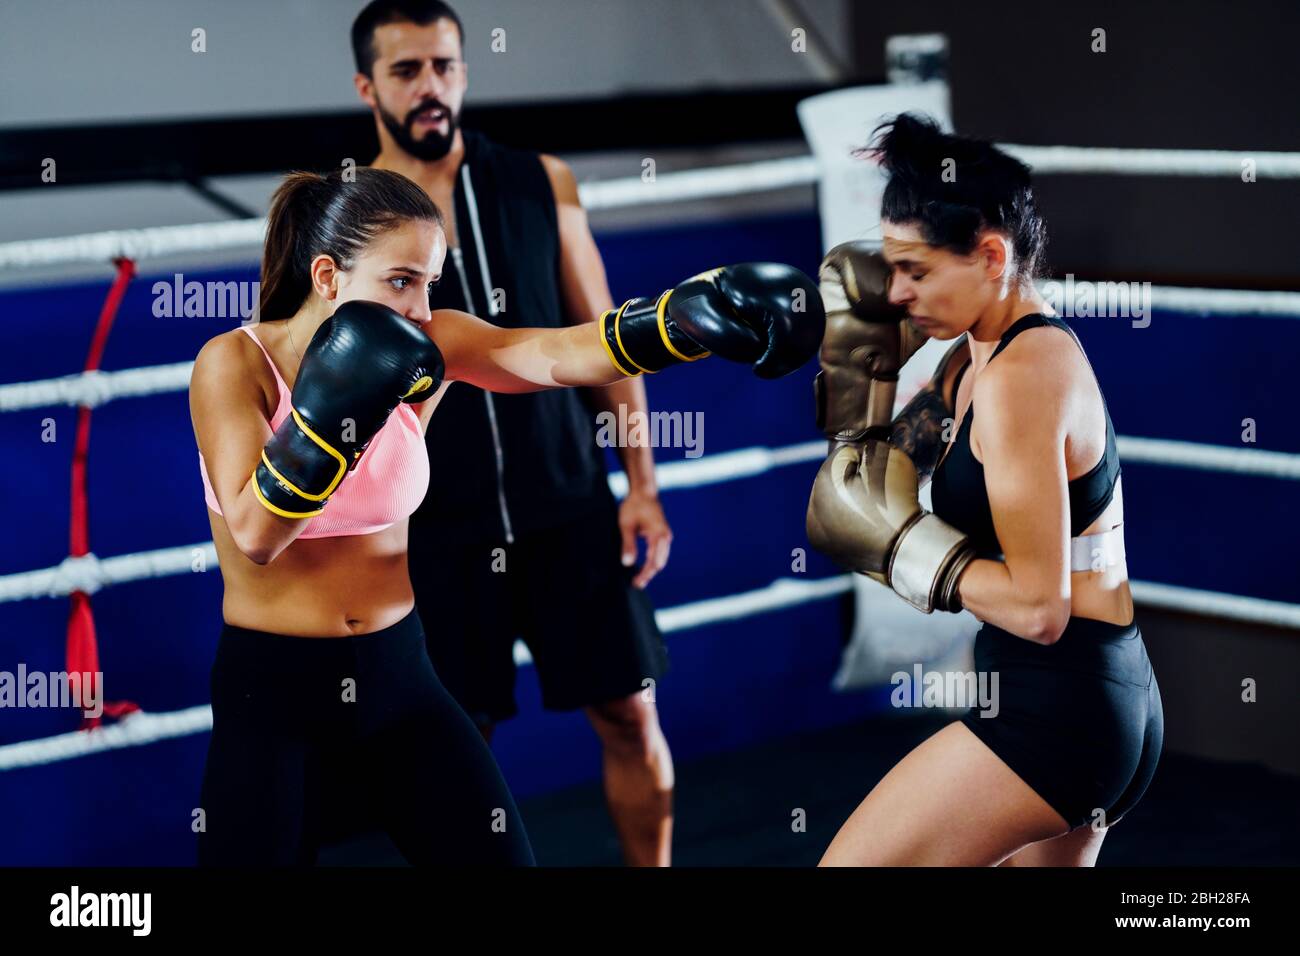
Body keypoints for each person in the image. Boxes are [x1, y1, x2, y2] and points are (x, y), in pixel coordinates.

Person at [190, 164, 821, 865]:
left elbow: (552, 355)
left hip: (399, 676)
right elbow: (255, 534)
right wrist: (329, 416)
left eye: (429, 283)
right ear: (328, 276)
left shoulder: (427, 347)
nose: (421, 311)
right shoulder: (233, 363)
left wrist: (681, 323)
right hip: (273, 693)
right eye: (401, 281)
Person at [350, 0, 679, 864]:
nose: (431, 87)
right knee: (460, 747)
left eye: (445, 66)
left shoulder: (542, 180)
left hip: (566, 499)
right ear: (367, 86)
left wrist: (640, 485)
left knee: (630, 709)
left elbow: (603, 331)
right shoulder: (351, 217)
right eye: (408, 70)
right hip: (439, 525)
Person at [806, 113, 1163, 866]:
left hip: (1058, 709)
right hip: (1095, 697)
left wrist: (909, 553)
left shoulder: (1021, 380)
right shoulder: (972, 360)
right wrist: (857, 387)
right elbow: (879, 470)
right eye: (891, 266)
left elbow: (1038, 609)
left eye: (918, 271)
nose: (896, 292)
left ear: (992, 255)